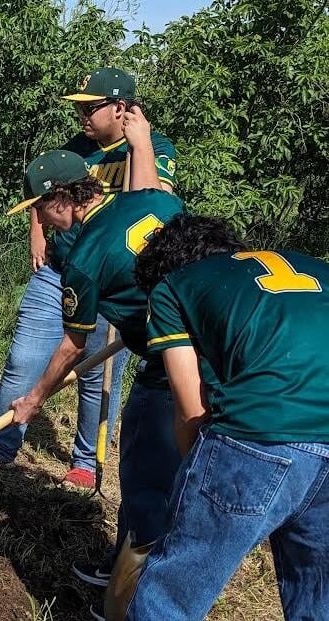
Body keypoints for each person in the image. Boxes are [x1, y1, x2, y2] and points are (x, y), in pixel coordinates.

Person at [0, 67, 177, 495]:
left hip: (112, 284)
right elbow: (43, 195)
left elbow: (151, 210)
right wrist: (39, 233)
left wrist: (141, 146)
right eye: (79, 107)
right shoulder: (78, 150)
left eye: (89, 107)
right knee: (24, 357)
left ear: (121, 107)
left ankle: (86, 462)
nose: (82, 116)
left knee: (96, 375)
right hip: (62, 269)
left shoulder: (152, 148)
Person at [4, 149, 182, 621]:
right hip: (214, 346)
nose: (40, 219)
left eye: (40, 208)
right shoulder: (151, 199)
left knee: (145, 468)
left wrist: (36, 398)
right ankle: (123, 570)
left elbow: (71, 348)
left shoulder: (83, 258)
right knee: (167, 472)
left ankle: (136, 600)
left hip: (171, 364)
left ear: (62, 197)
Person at [125, 214, 329, 620]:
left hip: (259, 432)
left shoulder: (174, 287)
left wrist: (194, 486)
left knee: (171, 597)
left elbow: (191, 407)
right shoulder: (315, 268)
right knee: (318, 596)